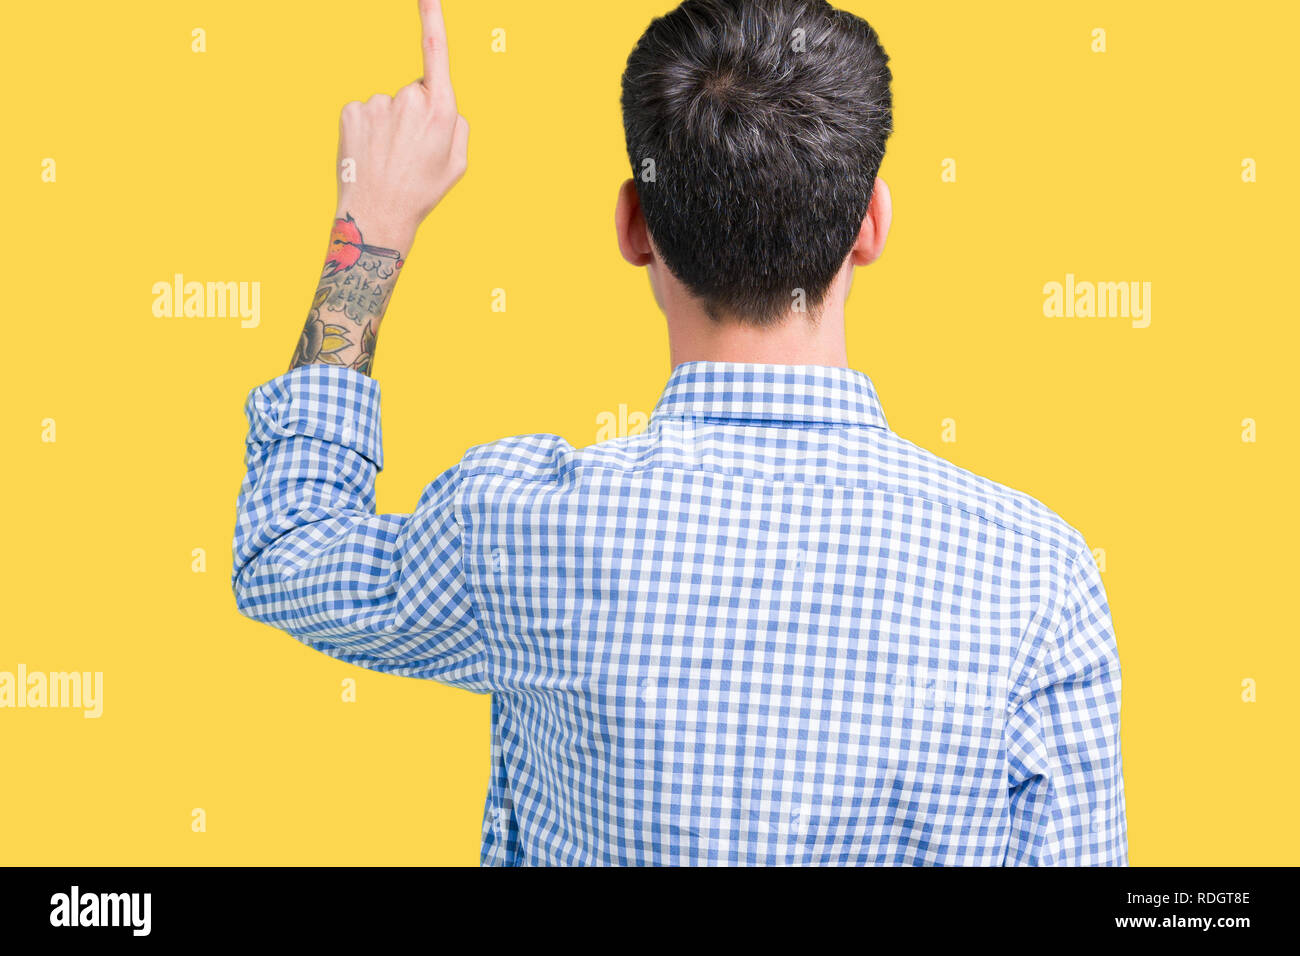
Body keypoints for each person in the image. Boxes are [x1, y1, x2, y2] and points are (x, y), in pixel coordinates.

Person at [232, 0, 1127, 866]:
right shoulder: (1041, 580)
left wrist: (373, 219)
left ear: (633, 225)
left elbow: (287, 546)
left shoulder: (521, 529)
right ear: (871, 226)